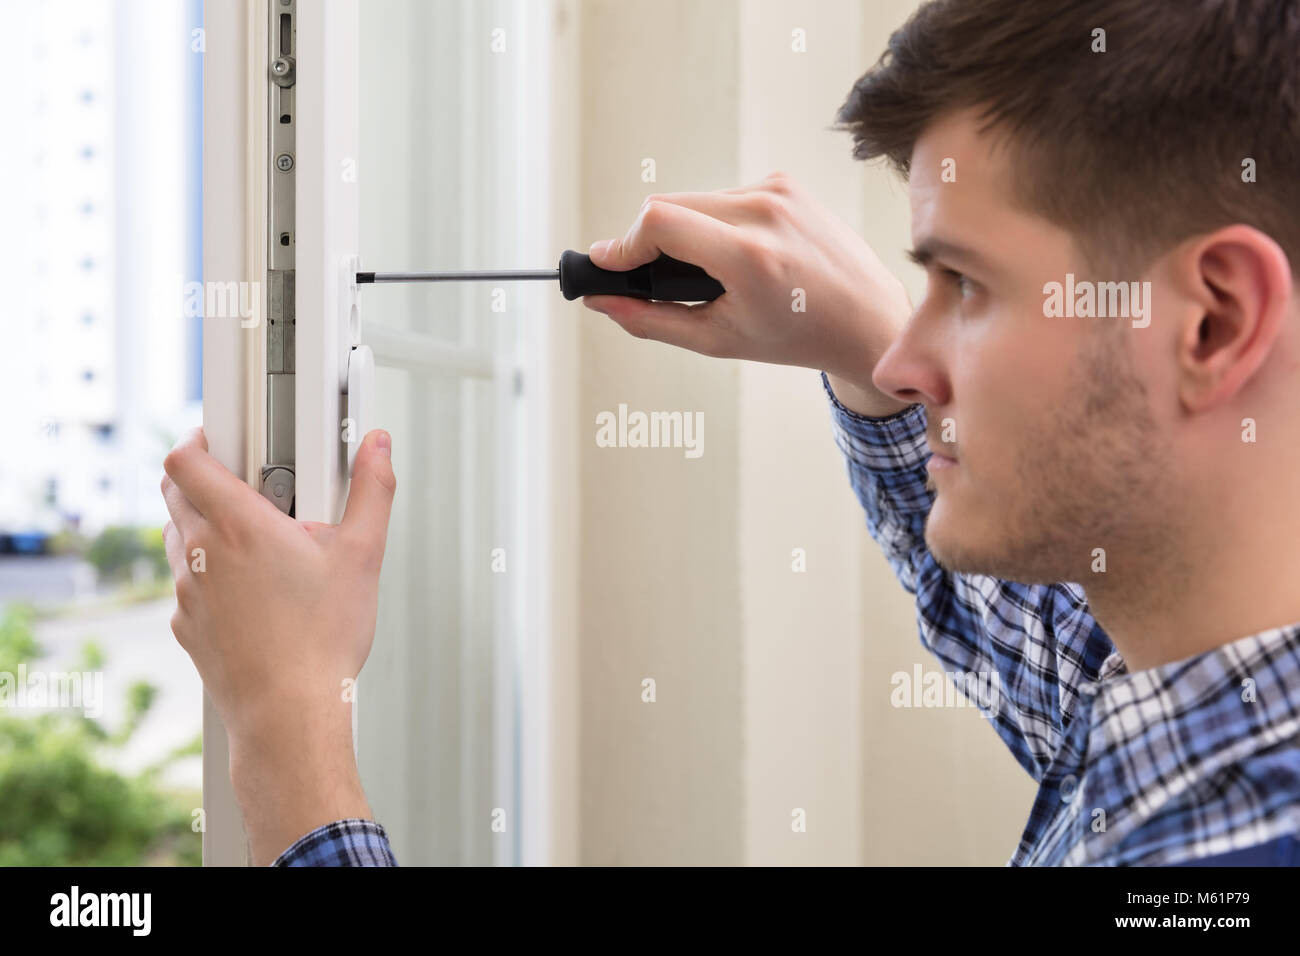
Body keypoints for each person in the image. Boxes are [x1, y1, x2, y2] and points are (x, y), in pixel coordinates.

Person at [161, 0, 1300, 866]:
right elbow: (1044, 649)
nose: (908, 355)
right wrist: (855, 354)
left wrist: (287, 727)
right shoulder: (1192, 697)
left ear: (1213, 319)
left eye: (964, 284)